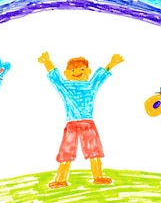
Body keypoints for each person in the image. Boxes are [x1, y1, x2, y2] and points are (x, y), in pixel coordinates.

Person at [38, 51, 124, 188]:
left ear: (88, 71)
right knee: (67, 151)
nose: (78, 72)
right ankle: (60, 179)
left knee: (94, 151)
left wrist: (112, 63)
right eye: (73, 70)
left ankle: (98, 176)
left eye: (82, 69)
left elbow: (99, 77)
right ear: (67, 73)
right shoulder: (66, 87)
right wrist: (47, 62)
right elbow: (56, 79)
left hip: (88, 123)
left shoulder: (90, 85)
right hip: (72, 124)